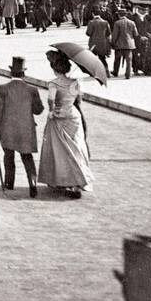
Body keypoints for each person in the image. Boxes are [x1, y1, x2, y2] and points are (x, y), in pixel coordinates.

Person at [38, 49, 92, 198]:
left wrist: (51, 111)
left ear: (54, 68)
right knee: (76, 147)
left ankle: (60, 179)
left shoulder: (53, 84)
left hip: (59, 116)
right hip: (73, 116)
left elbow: (51, 100)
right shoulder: (75, 82)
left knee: (59, 151)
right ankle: (78, 181)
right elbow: (78, 101)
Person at [0, 56, 44, 197]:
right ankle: (32, 184)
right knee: (27, 157)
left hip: (8, 129)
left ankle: (9, 183)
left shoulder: (3, 88)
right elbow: (39, 110)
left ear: (10, 73)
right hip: (26, 129)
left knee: (8, 156)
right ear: (24, 74)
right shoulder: (32, 89)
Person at [111, 9, 138, 79]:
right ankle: (128, 74)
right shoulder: (132, 22)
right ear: (126, 15)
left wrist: (112, 43)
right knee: (129, 60)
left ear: (119, 15)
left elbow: (115, 35)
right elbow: (136, 34)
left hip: (119, 44)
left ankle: (115, 72)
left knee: (117, 59)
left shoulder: (117, 23)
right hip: (129, 44)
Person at [85, 11, 111, 76]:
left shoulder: (91, 22)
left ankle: (93, 73)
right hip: (103, 43)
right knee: (102, 58)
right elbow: (109, 33)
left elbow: (88, 33)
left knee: (93, 58)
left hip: (93, 44)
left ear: (93, 14)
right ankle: (107, 72)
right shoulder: (105, 22)